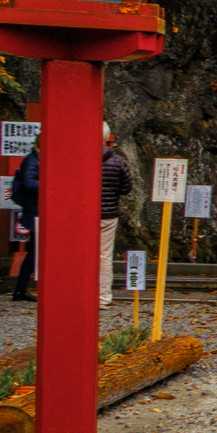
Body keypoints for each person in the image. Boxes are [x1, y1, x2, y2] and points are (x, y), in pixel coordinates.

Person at [99, 122, 132, 308]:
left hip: (84, 214)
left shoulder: (79, 158)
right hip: (109, 213)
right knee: (104, 256)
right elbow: (126, 188)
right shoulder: (118, 161)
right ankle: (103, 297)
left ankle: (81, 294)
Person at [10, 139, 41, 302]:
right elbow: (29, 183)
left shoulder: (36, 159)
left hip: (36, 209)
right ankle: (20, 289)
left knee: (34, 251)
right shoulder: (32, 160)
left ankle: (20, 289)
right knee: (34, 252)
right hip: (34, 210)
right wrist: (51, 184)